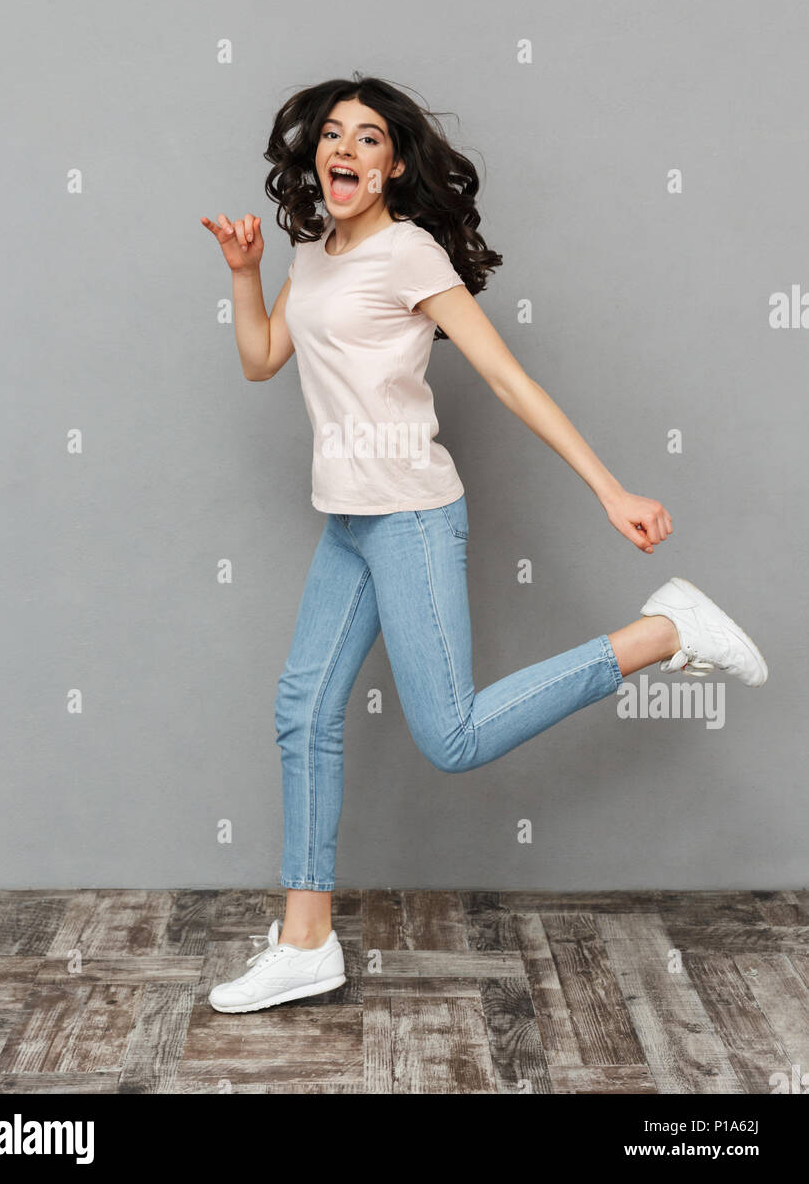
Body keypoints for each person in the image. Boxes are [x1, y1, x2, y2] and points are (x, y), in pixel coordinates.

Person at [199, 73, 767, 1015]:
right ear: (315, 158)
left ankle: (660, 633)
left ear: (391, 166)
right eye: (333, 135)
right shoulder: (316, 250)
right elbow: (262, 361)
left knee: (451, 737)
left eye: (369, 138)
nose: (346, 148)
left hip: (413, 515)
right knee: (303, 713)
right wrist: (239, 272)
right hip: (349, 519)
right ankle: (305, 943)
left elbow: (505, 378)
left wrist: (609, 487)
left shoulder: (410, 252)